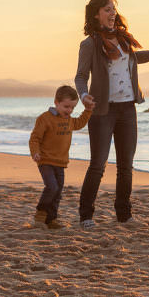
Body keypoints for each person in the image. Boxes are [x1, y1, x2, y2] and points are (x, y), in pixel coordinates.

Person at [74, 0, 149, 229]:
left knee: (126, 165)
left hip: (127, 109)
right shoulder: (90, 44)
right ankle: (86, 216)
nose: (112, 13)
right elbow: (81, 76)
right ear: (96, 14)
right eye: (106, 9)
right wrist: (84, 96)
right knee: (98, 165)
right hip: (103, 110)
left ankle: (124, 215)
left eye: (113, 9)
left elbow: (132, 58)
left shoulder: (124, 40)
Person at [29, 85, 94, 229]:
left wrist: (88, 110)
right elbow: (35, 138)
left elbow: (80, 123)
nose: (69, 111)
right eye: (66, 107)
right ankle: (40, 213)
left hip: (61, 162)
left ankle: (51, 220)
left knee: (58, 192)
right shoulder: (44, 118)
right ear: (56, 102)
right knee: (51, 187)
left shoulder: (69, 120)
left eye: (72, 108)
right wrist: (35, 152)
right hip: (45, 160)